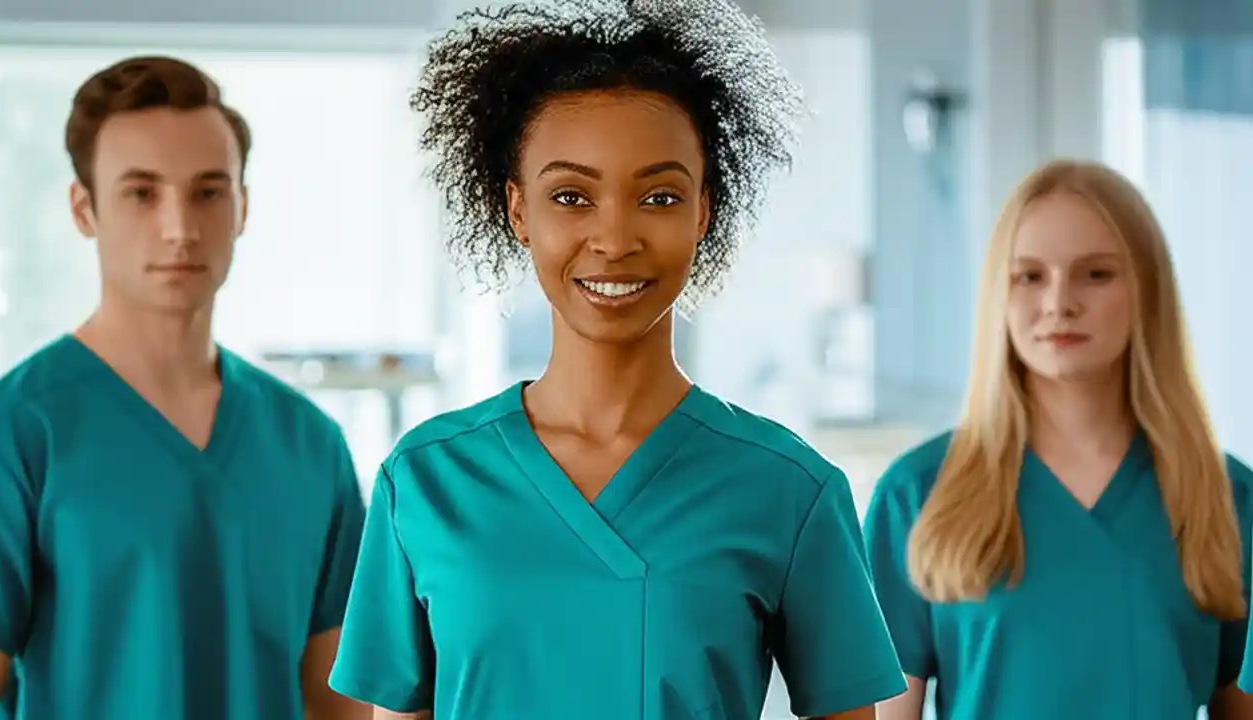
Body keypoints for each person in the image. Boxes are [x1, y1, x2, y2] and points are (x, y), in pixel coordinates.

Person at [326, 1, 906, 718]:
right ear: (517, 210)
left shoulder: (790, 490)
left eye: (658, 196)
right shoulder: (424, 480)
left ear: (703, 211)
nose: (614, 237)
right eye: (571, 196)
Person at [0, 56, 369, 720]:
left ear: (242, 207)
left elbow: (343, 704)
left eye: (209, 191)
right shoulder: (11, 434)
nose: (180, 228)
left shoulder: (309, 444)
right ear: (83, 208)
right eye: (141, 192)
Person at [863, 158, 1253, 719]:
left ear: (1147, 289)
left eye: (1096, 274)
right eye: (1030, 275)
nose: (1059, 302)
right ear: (1000, 292)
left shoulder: (1228, 497)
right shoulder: (917, 494)